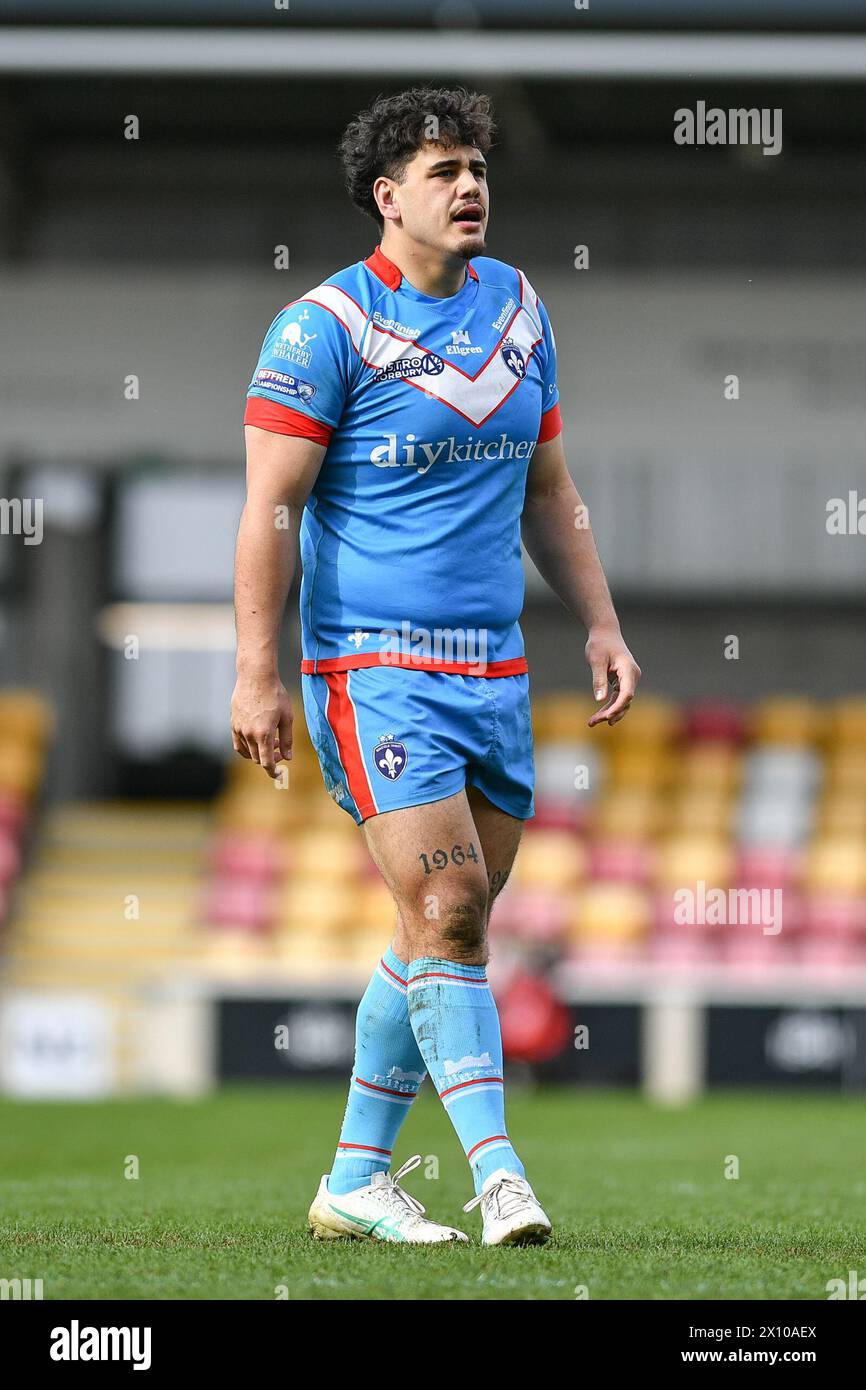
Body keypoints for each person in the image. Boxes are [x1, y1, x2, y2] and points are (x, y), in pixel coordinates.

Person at [232, 86, 641, 1246]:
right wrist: (256, 670)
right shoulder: (323, 328)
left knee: (436, 933)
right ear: (386, 197)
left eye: (476, 167)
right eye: (442, 171)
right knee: (453, 908)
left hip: (494, 674)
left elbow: (548, 493)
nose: (469, 187)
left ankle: (355, 1177)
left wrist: (601, 625)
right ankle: (499, 1172)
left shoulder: (518, 305)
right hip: (373, 667)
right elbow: (268, 512)